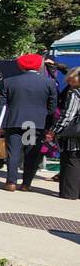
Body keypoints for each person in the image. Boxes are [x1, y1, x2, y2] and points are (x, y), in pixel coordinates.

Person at [0, 53, 57, 192]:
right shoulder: (48, 82)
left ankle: (11, 182)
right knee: (31, 154)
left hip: (14, 121)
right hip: (35, 123)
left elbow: (2, 105)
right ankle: (26, 184)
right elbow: (52, 107)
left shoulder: (9, 81)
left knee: (14, 153)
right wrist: (48, 123)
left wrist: (0, 125)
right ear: (38, 65)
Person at [56, 67, 80, 200]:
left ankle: (69, 192)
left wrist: (56, 130)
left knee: (72, 160)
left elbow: (68, 115)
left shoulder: (76, 93)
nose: (69, 83)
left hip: (75, 135)